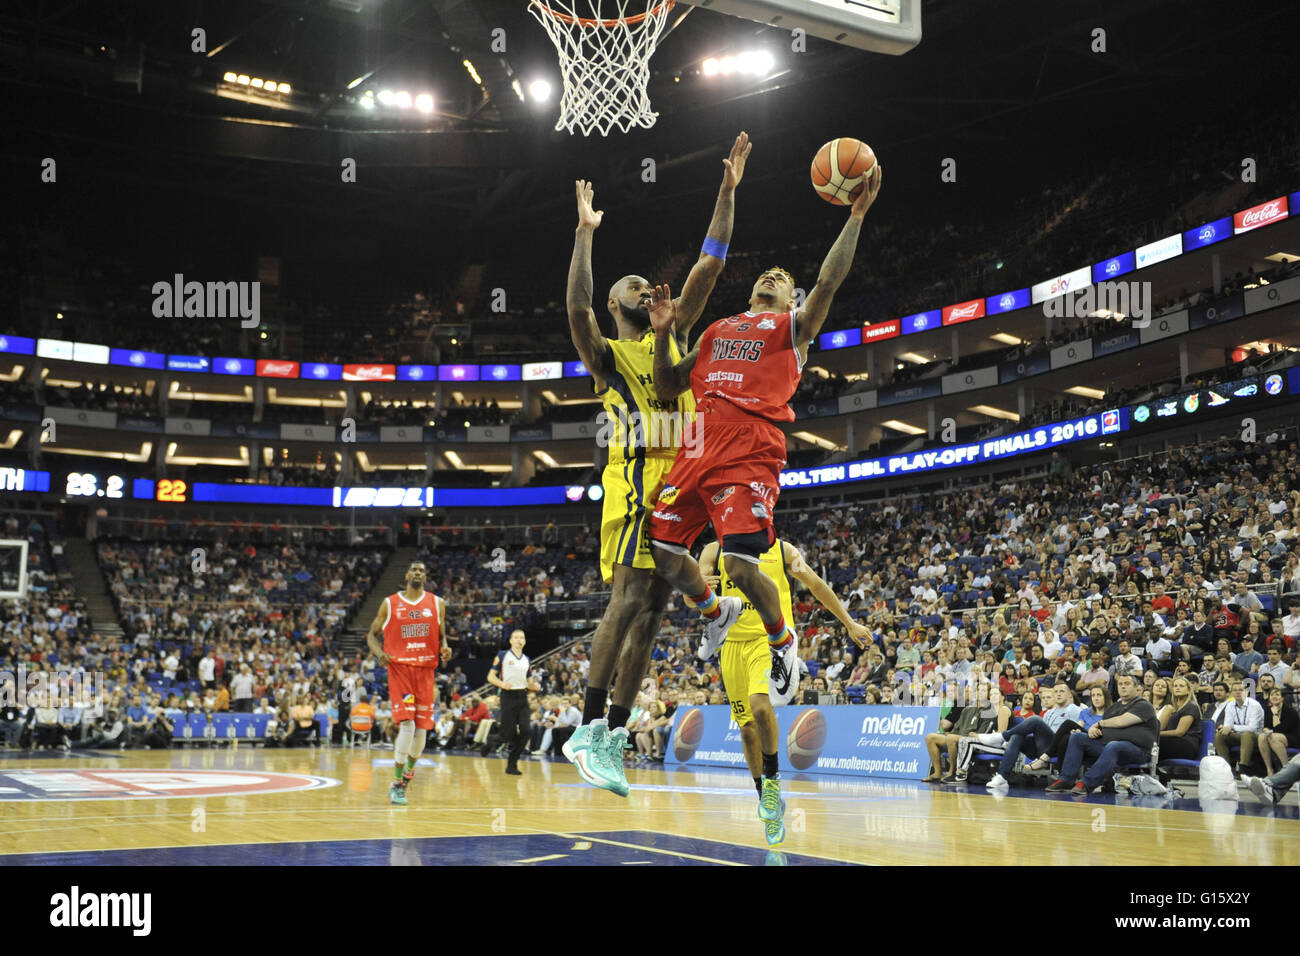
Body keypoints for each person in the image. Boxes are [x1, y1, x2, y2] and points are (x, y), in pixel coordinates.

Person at [645, 164, 884, 840]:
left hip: (750, 447)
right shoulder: (719, 329)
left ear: (792, 297)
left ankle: (783, 642)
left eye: (781, 278)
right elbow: (665, 385)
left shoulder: (794, 333)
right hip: (700, 442)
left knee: (750, 570)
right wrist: (664, 328)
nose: (770, 277)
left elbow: (831, 279)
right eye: (764, 276)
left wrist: (856, 215)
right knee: (661, 550)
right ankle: (761, 780)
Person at [561, 135, 751, 798]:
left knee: (653, 612)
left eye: (648, 282)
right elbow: (578, 308)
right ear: (619, 306)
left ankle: (610, 734)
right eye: (633, 285)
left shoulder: (675, 336)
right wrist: (585, 235)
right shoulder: (609, 354)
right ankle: (585, 728)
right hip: (636, 478)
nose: (646, 286)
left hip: (680, 485)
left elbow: (708, 265)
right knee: (630, 599)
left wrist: (726, 193)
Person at [697, 535, 870, 842]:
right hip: (732, 646)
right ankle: (765, 796)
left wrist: (849, 622)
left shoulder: (782, 549)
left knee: (761, 706)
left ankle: (773, 780)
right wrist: (697, 590)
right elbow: (694, 592)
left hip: (771, 640)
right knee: (747, 728)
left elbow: (816, 585)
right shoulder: (714, 550)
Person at [365, 560, 453, 806]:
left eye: (422, 570)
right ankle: (395, 783)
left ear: (425, 576)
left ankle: (406, 779)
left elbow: (442, 632)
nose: (418, 573)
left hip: (425, 671)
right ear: (406, 575)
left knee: (423, 729)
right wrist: (379, 652)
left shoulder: (437, 603)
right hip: (400, 669)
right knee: (407, 726)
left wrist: (445, 646)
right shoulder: (390, 603)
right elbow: (371, 634)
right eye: (414, 569)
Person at [1045, 674, 1159, 793]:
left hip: (1138, 751)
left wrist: (1099, 724)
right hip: (1109, 747)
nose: (1123, 687)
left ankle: (1086, 783)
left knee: (1114, 745)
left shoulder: (1143, 705)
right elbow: (1104, 729)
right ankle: (1066, 780)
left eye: (1127, 684)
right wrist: (1092, 730)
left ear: (1136, 687)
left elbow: (1120, 722)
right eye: (1120, 684)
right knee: (1077, 737)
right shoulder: (1113, 708)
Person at [980, 683, 1083, 788]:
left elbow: (1078, 732)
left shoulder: (1075, 710)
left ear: (1069, 694)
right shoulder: (1048, 712)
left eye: (1062, 691)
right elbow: (1042, 734)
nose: (1058, 694)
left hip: (1059, 747)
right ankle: (1002, 776)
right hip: (1043, 748)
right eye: (1056, 692)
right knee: (1017, 735)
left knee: (1035, 719)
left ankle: (1002, 737)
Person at [486, 629, 541, 775]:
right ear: (510, 640)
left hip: (522, 696)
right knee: (508, 735)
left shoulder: (527, 659)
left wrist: (534, 687)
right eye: (516, 637)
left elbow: (528, 681)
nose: (519, 640)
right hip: (507, 696)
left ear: (525, 641)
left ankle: (512, 765)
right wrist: (502, 684)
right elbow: (490, 677)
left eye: (522, 637)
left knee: (526, 731)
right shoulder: (503, 655)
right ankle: (490, 741)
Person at [1213, 678, 1265, 774]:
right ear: (1231, 693)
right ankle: (1226, 768)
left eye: (1241, 690)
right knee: (1220, 735)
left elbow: (1252, 728)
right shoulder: (1230, 705)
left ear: (1246, 692)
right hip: (1239, 735)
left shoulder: (1254, 705)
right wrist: (1224, 728)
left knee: (1247, 734)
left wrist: (1232, 727)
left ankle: (1243, 767)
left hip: (1257, 737)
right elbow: (1227, 725)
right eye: (1235, 690)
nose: (1238, 692)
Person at [1158, 675, 1202, 761]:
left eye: (1181, 686)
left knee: (1153, 743)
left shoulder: (1190, 706)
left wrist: (1157, 734)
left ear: (1189, 690)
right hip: (1174, 742)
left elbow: (1179, 732)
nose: (1178, 688)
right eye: (1175, 686)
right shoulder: (1174, 708)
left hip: (1187, 745)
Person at [1257, 686, 1300, 775]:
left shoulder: (1290, 711)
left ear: (1282, 698)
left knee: (1273, 737)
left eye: (1277, 695)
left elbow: (1282, 730)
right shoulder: (1268, 710)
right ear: (1269, 698)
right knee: (1261, 737)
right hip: (1275, 737)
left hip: (1294, 738)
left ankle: (1286, 768)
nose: (1274, 697)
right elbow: (1267, 726)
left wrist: (1275, 714)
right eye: (1272, 695)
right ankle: (1269, 769)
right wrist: (1266, 730)